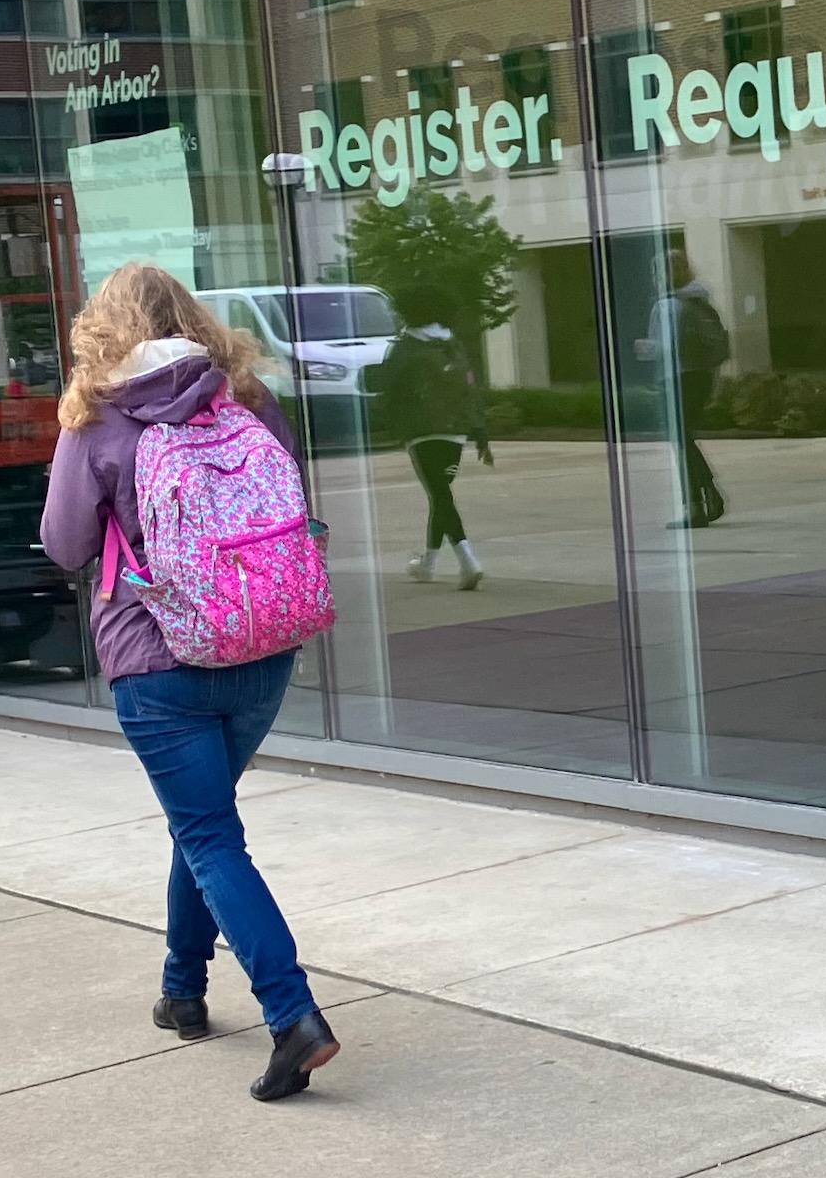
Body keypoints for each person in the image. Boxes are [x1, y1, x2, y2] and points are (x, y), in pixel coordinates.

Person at [39, 262, 338, 1101]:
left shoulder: (97, 416)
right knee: (202, 824)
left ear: (106, 327)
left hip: (155, 659)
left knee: (208, 834)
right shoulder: (246, 395)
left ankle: (294, 1015)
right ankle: (182, 988)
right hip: (261, 648)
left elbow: (64, 545)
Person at [368, 290, 494, 590]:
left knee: (439, 495)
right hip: (456, 429)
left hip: (420, 431)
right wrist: (480, 433)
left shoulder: (405, 348)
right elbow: (471, 389)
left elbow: (391, 391)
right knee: (440, 495)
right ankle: (429, 563)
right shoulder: (453, 345)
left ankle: (468, 560)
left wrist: (389, 425)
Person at [638, 244, 730, 528]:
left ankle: (696, 505)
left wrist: (643, 347)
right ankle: (709, 495)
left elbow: (664, 348)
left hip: (677, 379)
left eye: (656, 272)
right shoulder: (698, 301)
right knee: (684, 440)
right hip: (700, 378)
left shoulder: (666, 306)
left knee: (681, 443)